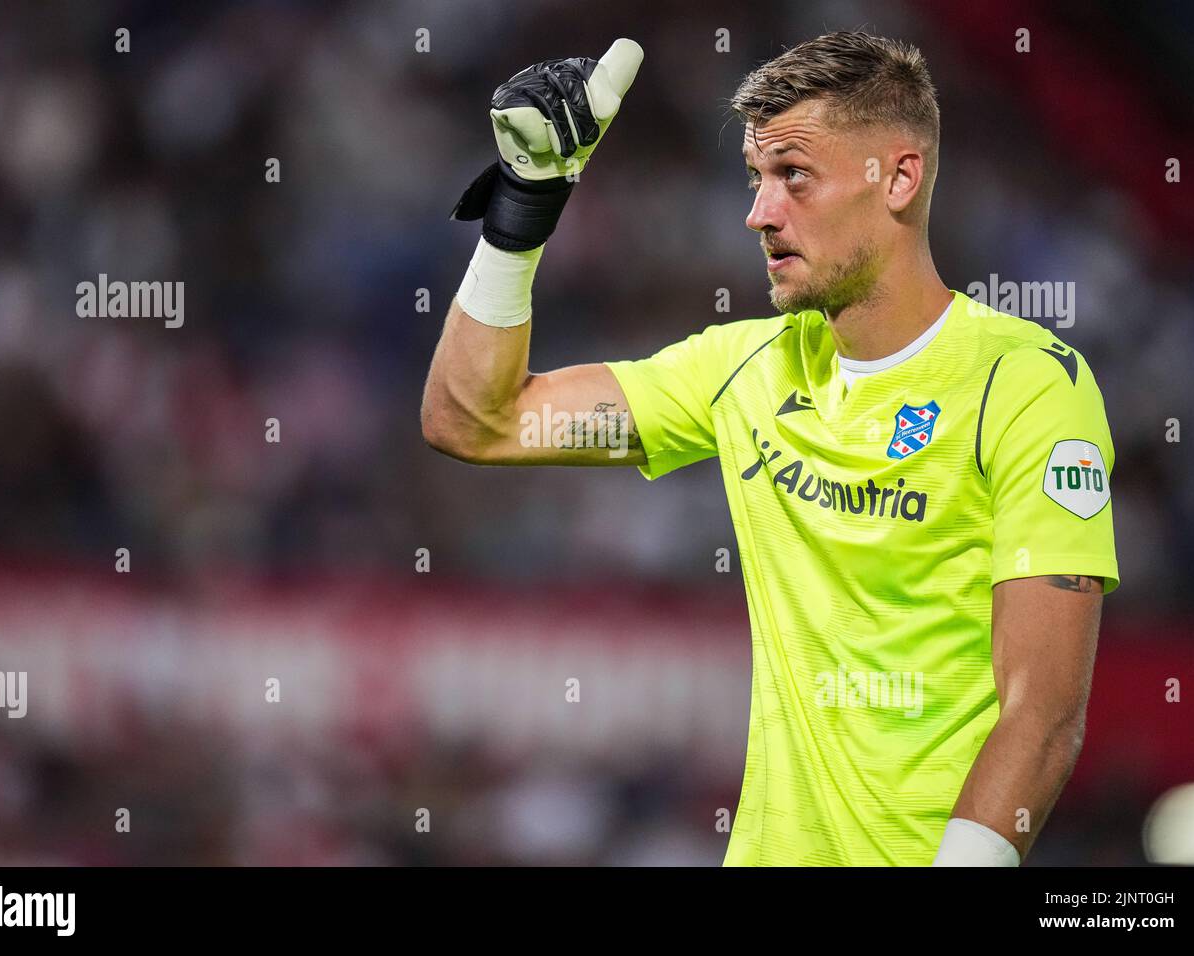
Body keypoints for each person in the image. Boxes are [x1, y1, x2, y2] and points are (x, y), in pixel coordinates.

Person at [422, 31, 1118, 866]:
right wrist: (523, 209)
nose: (760, 212)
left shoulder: (1027, 383)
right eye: (756, 179)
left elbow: (1041, 717)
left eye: (794, 176)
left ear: (898, 177)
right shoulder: (742, 371)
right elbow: (477, 420)